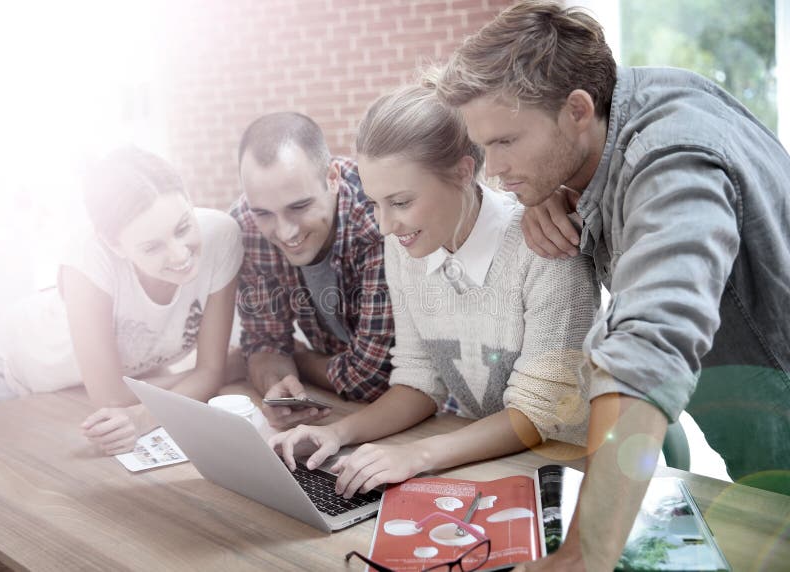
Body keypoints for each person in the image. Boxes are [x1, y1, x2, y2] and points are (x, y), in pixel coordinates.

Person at [436, 0, 790, 569]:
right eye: (484, 147)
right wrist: (555, 187)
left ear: (577, 109)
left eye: (505, 143)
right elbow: (596, 163)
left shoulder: (673, 156)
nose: (492, 169)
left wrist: (583, 556)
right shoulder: (608, 117)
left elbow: (651, 336)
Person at [268, 83, 598, 499]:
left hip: (574, 472)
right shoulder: (406, 246)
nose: (385, 225)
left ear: (463, 172)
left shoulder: (546, 247)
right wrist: (336, 433)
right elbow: (419, 379)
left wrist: (416, 456)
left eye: (401, 202)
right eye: (374, 203)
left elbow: (539, 412)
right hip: (498, 467)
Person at [0, 147, 244, 455]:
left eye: (183, 227)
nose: (180, 254)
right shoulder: (87, 256)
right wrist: (202, 376)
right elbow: (112, 399)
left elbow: (210, 373)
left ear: (189, 200)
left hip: (81, 392)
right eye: (152, 247)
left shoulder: (221, 236)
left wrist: (148, 409)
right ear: (114, 244)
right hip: (10, 373)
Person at [229, 112, 394, 429]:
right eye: (264, 212)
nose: (285, 232)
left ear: (333, 178)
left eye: (299, 207)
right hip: (342, 411)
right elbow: (265, 343)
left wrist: (297, 359)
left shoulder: (377, 221)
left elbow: (372, 379)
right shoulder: (247, 225)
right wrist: (277, 385)